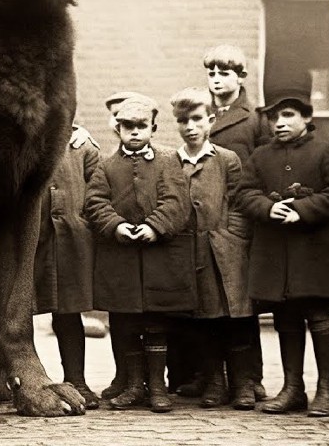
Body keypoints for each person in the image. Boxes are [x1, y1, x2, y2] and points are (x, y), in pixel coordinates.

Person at [236, 73, 329, 417]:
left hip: (316, 249)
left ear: (306, 117)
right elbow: (244, 193)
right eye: (273, 117)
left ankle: (327, 389)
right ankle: (293, 388)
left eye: (288, 115)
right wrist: (269, 207)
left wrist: (301, 210)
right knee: (285, 317)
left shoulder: (326, 152)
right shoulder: (260, 157)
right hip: (276, 251)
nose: (279, 123)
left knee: (319, 315)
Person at [85, 97, 193, 413]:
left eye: (141, 126)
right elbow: (94, 203)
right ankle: (133, 386)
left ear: (153, 128)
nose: (135, 132)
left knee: (156, 322)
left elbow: (177, 201)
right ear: (118, 129)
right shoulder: (105, 166)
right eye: (128, 126)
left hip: (158, 258)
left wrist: (155, 226)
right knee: (126, 323)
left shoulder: (168, 161)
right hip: (120, 260)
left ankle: (158, 387)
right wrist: (115, 225)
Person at [169, 88, 257, 410]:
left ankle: (243, 383)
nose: (190, 127)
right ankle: (215, 382)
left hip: (225, 251)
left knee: (235, 318)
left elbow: (238, 202)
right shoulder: (172, 161)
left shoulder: (226, 159)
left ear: (209, 121)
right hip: (192, 252)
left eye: (196, 120)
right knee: (204, 320)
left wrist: (230, 236)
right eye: (183, 121)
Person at [193, 45, 272, 402]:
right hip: (206, 220)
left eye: (225, 73)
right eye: (212, 73)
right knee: (208, 300)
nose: (217, 80)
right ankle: (208, 377)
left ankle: (249, 378)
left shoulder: (255, 118)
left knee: (240, 302)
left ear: (240, 78)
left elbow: (265, 165)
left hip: (241, 218)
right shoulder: (200, 114)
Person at [33, 123, 102, 408]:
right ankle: (16, 379)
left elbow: (98, 191)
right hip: (30, 239)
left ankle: (77, 380)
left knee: (68, 310)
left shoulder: (83, 146)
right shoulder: (24, 139)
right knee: (16, 311)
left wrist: (82, 223)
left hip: (69, 241)